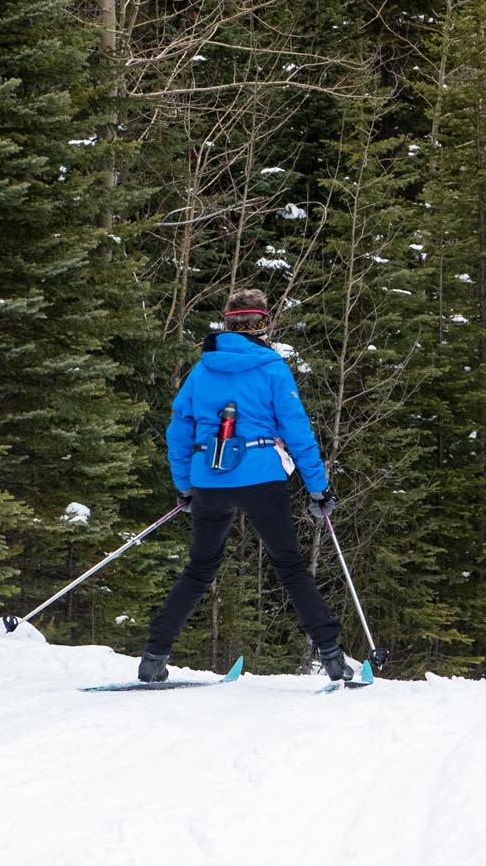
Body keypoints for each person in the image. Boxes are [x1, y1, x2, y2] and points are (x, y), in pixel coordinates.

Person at [139, 288, 352, 683]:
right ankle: (333, 657)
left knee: (200, 569)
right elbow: (297, 429)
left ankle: (154, 656)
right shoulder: (272, 368)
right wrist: (317, 487)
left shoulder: (201, 370)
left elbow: (178, 431)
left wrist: (184, 484)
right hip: (260, 476)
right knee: (288, 565)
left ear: (228, 324)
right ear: (263, 326)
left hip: (209, 480)